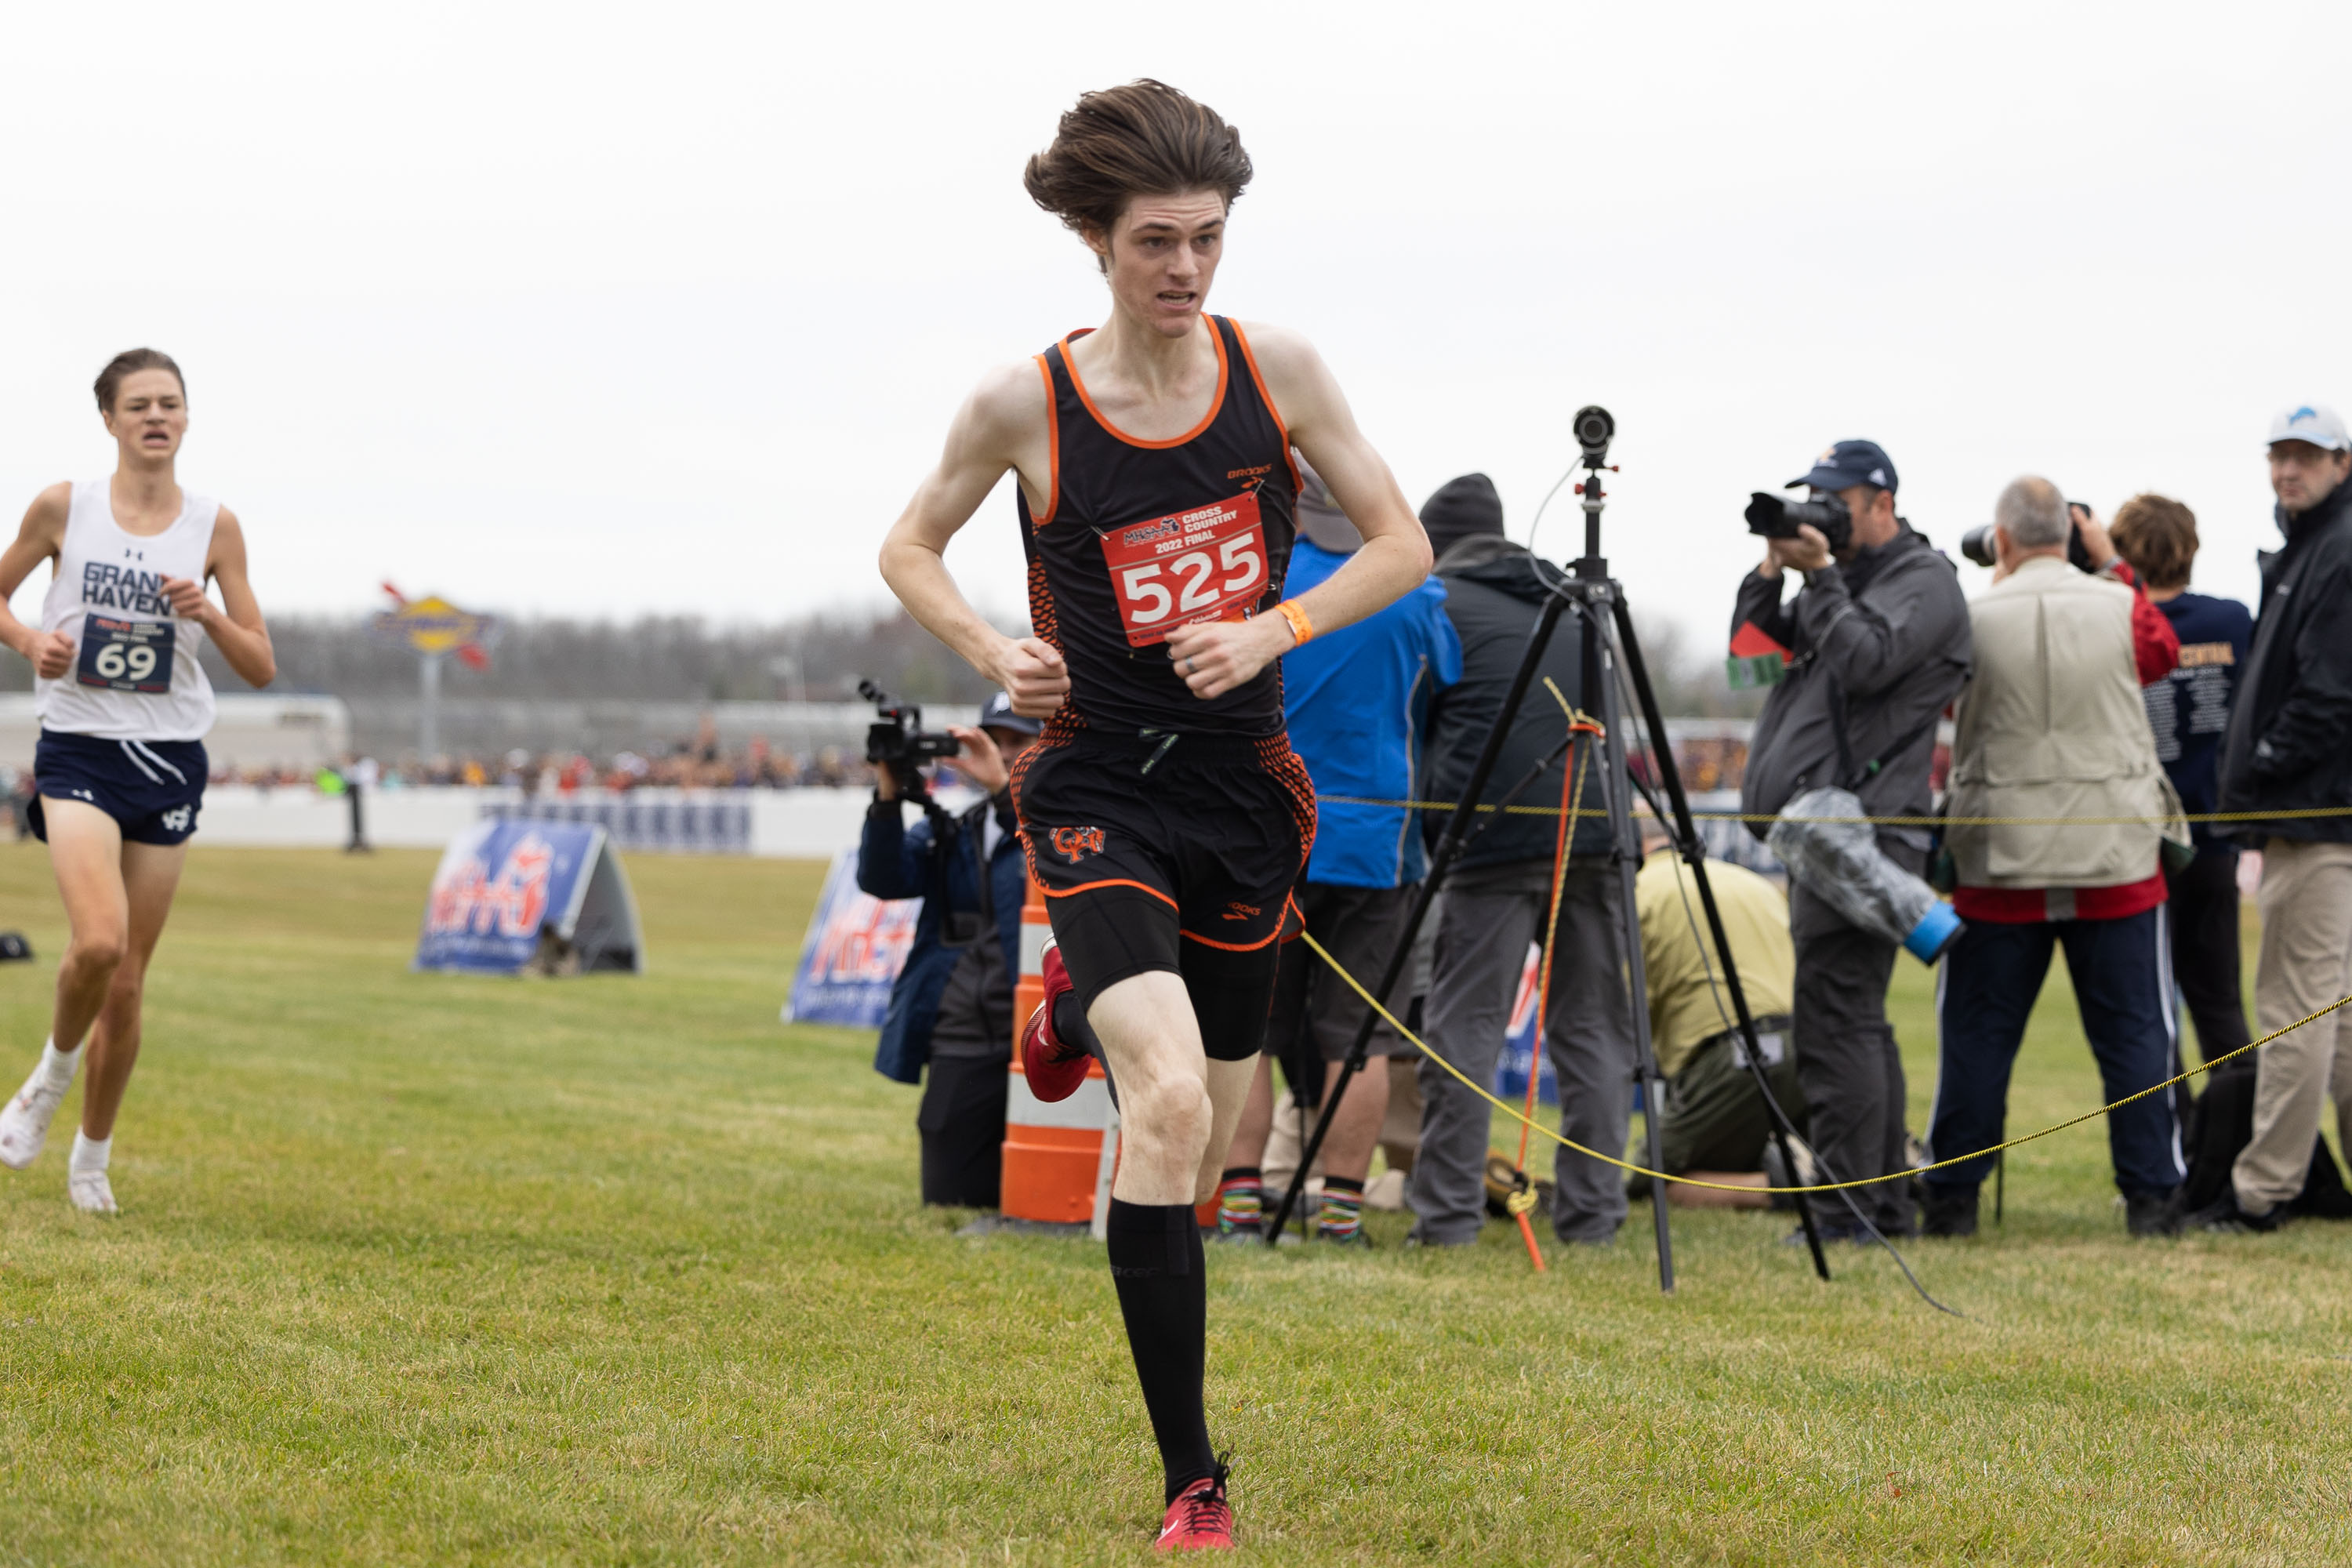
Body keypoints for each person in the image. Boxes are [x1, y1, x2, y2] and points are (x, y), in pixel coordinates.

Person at [873, 81, 1430, 1552]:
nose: (1186, 271)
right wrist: (996, 651)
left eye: (1208, 240)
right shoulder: (1027, 404)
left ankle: (1075, 1016)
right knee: (1172, 1105)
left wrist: (1275, 632)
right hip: (1100, 784)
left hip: (1245, 793)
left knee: (1227, 1090)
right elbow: (908, 544)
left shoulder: (1279, 374)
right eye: (1156, 245)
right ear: (1095, 245)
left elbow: (1401, 543)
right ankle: (1195, 1479)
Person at [0, 349, 276, 1212]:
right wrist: (25, 643)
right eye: (139, 405)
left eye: (171, 404)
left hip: (168, 758)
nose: (157, 416)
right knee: (98, 942)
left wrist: (211, 613)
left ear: (186, 419)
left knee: (126, 981)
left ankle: (91, 1157)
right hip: (79, 745)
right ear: (111, 420)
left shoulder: (214, 525)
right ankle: (46, 1082)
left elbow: (262, 664)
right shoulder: (63, 506)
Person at [1922, 477, 2185, 1238]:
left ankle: (1953, 1197)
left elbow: (1943, 702)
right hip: (2115, 860)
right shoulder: (2120, 602)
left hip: (2001, 861)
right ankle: (2152, 1197)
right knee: (2136, 1033)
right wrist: (2114, 566)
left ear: (1999, 540)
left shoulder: (1972, 616)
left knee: (1976, 1035)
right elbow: (2161, 654)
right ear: (2073, 536)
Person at [1730, 440, 1971, 1241]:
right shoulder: (1841, 583)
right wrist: (1770, 574)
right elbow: (1752, 671)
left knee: (1836, 1015)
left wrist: (1823, 575)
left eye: (1837, 499)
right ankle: (1880, 1205)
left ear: (1880, 499)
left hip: (1866, 831)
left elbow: (1868, 663)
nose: (1825, 512)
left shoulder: (1923, 580)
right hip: (1819, 835)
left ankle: (1847, 1212)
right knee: (1850, 1014)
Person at [1216, 462, 1459, 1247]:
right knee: (1362, 1038)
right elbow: (1445, 681)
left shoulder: (1264, 583)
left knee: (1245, 1025)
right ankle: (1342, 1212)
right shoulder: (1413, 589)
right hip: (1374, 844)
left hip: (1265, 834)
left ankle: (1242, 1201)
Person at [1406, 473, 1639, 1249]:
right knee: (1593, 1031)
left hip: (1490, 843)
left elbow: (1416, 725)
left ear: (1436, 544)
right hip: (1595, 832)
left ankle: (1444, 1220)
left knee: (1464, 1028)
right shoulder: (1577, 605)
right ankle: (1595, 1218)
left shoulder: (1435, 600)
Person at [2198, 405, 2352, 1232]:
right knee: (2338, 1010)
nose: (2289, 469)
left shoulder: (2338, 548)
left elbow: (2330, 693)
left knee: (2295, 1009)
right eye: (2279, 455)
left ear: (2341, 461)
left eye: (2307, 456)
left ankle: (2263, 1191)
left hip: (2315, 818)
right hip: (2320, 815)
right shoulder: (2309, 546)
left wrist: (2258, 774)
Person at [859, 693, 1040, 1208]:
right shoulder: (954, 828)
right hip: (963, 1035)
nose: (1003, 754)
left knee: (1040, 1193)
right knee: (949, 1200)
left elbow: (1047, 866)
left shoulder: (1066, 827)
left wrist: (1010, 796)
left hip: (1043, 1035)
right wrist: (889, 796)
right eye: (995, 742)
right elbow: (884, 877)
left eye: (1018, 742)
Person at [2107, 494, 2254, 1091]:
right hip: (2215, 841)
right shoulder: (2232, 621)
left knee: (2148, 1011)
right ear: (2190, 549)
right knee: (2220, 1008)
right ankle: (2234, 1146)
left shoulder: (2124, 624)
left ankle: (2177, 1151)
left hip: (2145, 842)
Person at [1623, 839, 1801, 1210]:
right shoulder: (1753, 882)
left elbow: (1621, 1015)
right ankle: (1830, 1169)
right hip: (1806, 1046)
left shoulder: (1639, 893)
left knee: (1649, 1178)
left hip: (1729, 1057)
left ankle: (1779, 1186)